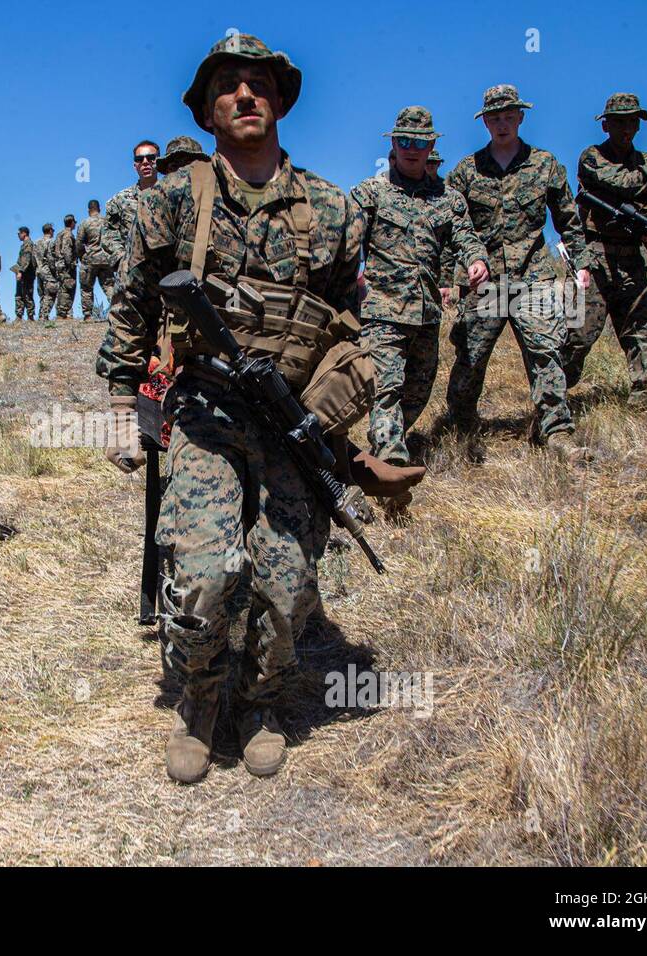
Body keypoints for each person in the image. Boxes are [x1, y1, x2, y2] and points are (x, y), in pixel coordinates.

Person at [98, 34, 421, 784]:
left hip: (292, 418)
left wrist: (348, 410)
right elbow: (132, 303)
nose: (246, 95)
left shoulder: (334, 209)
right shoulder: (174, 200)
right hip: (206, 413)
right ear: (208, 111)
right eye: (228, 86)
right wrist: (122, 404)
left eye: (259, 84)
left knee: (285, 580)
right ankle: (200, 702)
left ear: (278, 101)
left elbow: (356, 317)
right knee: (208, 572)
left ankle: (261, 703)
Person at [442, 85, 592, 461]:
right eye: (494, 118)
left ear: (521, 117)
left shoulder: (545, 164)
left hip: (534, 277)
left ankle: (557, 433)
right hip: (487, 284)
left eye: (509, 116)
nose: (502, 124)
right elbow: (448, 228)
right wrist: (448, 279)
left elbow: (568, 221)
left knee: (546, 353)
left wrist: (582, 262)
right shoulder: (466, 171)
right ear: (485, 122)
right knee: (470, 359)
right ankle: (461, 425)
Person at [349, 106, 488, 505]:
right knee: (386, 391)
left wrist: (477, 261)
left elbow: (467, 238)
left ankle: (375, 457)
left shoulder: (447, 199)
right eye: (404, 141)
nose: (412, 149)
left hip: (426, 314)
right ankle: (392, 475)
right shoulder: (372, 192)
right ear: (393, 145)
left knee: (417, 393)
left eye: (420, 143)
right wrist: (349, 277)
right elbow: (341, 234)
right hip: (380, 314)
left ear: (431, 147)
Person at [561, 93, 647, 408]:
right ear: (605, 125)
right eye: (619, 121)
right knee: (578, 335)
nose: (626, 128)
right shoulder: (592, 157)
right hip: (594, 256)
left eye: (632, 121)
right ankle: (553, 397)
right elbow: (626, 183)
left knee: (641, 330)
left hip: (632, 258)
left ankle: (645, 402)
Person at [103, 140, 160, 269]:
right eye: (139, 159)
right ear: (135, 165)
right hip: (133, 275)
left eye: (151, 158)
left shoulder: (172, 196)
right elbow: (108, 234)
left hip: (169, 275)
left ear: (159, 161)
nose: (145, 162)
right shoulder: (120, 200)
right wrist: (122, 261)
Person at [76, 199, 113, 320]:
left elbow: (79, 243)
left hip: (90, 259)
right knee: (109, 286)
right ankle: (115, 312)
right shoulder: (106, 221)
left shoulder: (85, 223)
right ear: (99, 208)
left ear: (88, 210)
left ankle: (87, 316)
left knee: (86, 287)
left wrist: (82, 256)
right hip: (106, 259)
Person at [51, 213, 79, 319]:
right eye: (74, 222)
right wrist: (71, 263)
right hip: (66, 266)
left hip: (59, 264)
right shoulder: (68, 235)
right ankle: (63, 313)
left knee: (62, 288)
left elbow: (53, 249)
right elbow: (67, 250)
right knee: (68, 289)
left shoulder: (59, 234)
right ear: (71, 223)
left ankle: (61, 312)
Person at [11, 226, 36, 320]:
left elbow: (26, 259)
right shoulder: (24, 244)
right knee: (20, 294)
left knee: (27, 295)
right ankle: (19, 315)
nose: (18, 236)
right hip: (24, 273)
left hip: (26, 274)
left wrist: (20, 271)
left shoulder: (28, 244)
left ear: (24, 233)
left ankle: (30, 316)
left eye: (19, 234)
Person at [34, 222, 57, 321]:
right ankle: (44, 315)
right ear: (50, 230)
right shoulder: (51, 242)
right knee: (51, 293)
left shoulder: (36, 242)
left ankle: (41, 315)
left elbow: (33, 258)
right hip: (47, 270)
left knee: (42, 295)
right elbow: (51, 258)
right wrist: (54, 271)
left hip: (38, 270)